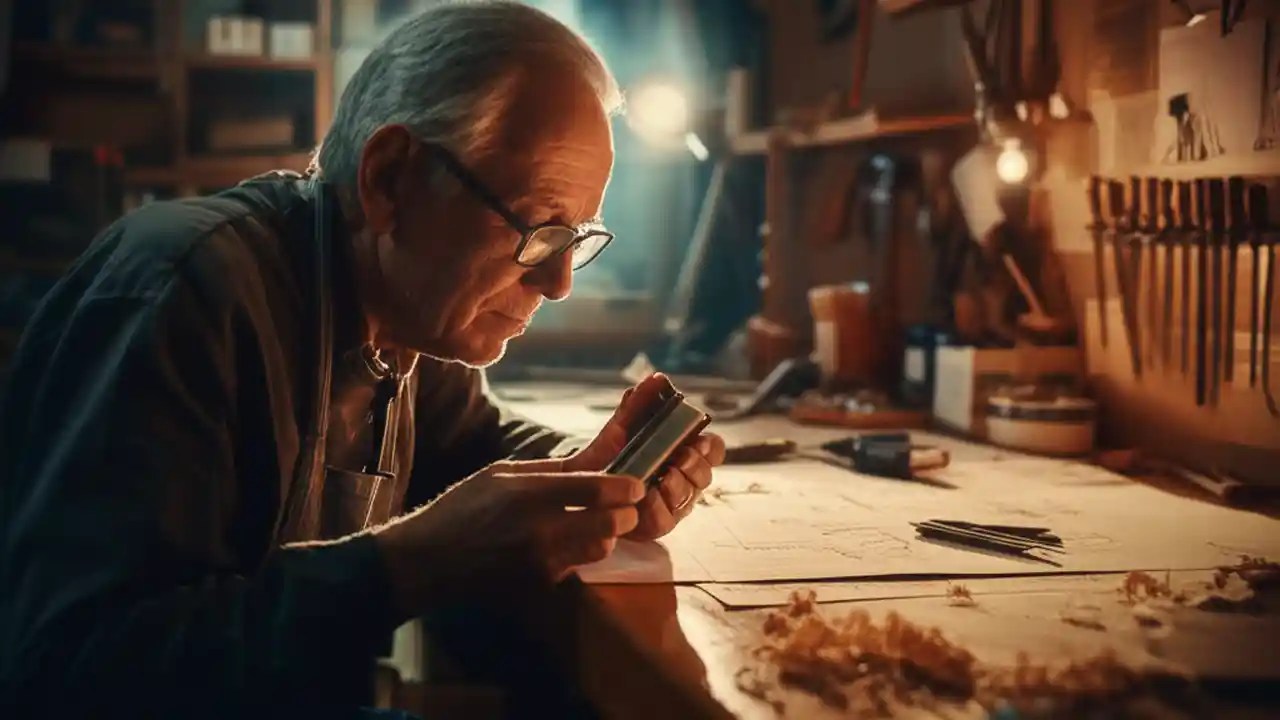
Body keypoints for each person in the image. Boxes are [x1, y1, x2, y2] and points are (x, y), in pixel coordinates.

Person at [0, 3, 725, 717]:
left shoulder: (409, 321)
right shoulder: (184, 290)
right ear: (391, 180)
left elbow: (474, 445)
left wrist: (598, 471)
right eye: (538, 230)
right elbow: (71, 667)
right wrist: (407, 566)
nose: (559, 282)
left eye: (576, 240)